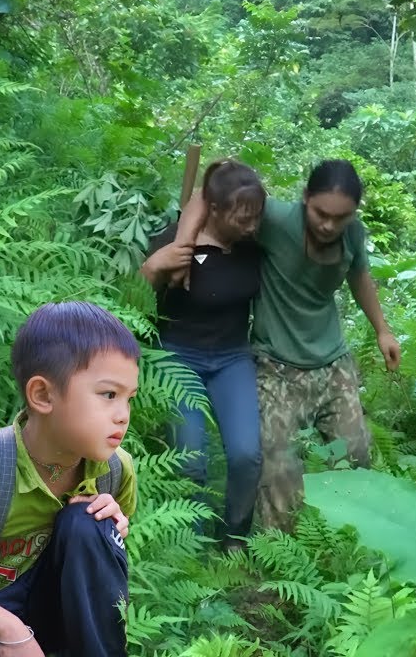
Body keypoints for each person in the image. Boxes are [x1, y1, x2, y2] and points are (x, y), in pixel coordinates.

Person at [173, 158, 400, 532]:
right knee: (278, 469)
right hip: (274, 362)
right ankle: (275, 562)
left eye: (340, 217)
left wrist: (383, 330)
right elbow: (204, 195)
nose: (329, 225)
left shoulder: (352, 233)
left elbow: (359, 274)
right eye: (320, 213)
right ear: (304, 198)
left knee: (356, 455)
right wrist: (183, 249)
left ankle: (351, 539)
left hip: (331, 360)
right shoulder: (275, 220)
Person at [0, 302, 140, 656]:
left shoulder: (115, 469)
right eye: (109, 395)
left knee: (90, 523)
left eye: (130, 399)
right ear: (42, 395)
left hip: (57, 608)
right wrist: (11, 630)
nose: (123, 415)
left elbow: (105, 573)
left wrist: (114, 526)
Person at [141, 159, 266, 551]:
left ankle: (234, 538)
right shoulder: (174, 241)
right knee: (191, 461)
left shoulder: (254, 248)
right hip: (178, 355)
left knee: (247, 455)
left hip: (232, 357)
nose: (251, 226)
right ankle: (190, 547)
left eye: (255, 218)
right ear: (213, 209)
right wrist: (152, 267)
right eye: (241, 218)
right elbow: (128, 303)